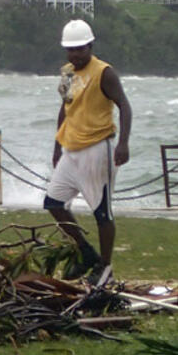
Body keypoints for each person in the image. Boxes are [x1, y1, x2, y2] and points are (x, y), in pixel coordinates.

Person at [45, 19, 132, 284]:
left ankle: (105, 268)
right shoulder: (67, 73)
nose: (74, 54)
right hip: (71, 148)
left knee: (102, 211)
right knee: (53, 203)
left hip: (97, 147)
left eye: (79, 49)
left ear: (90, 46)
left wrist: (123, 143)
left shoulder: (104, 72)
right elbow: (65, 108)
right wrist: (57, 145)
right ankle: (86, 252)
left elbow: (124, 106)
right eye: (70, 49)